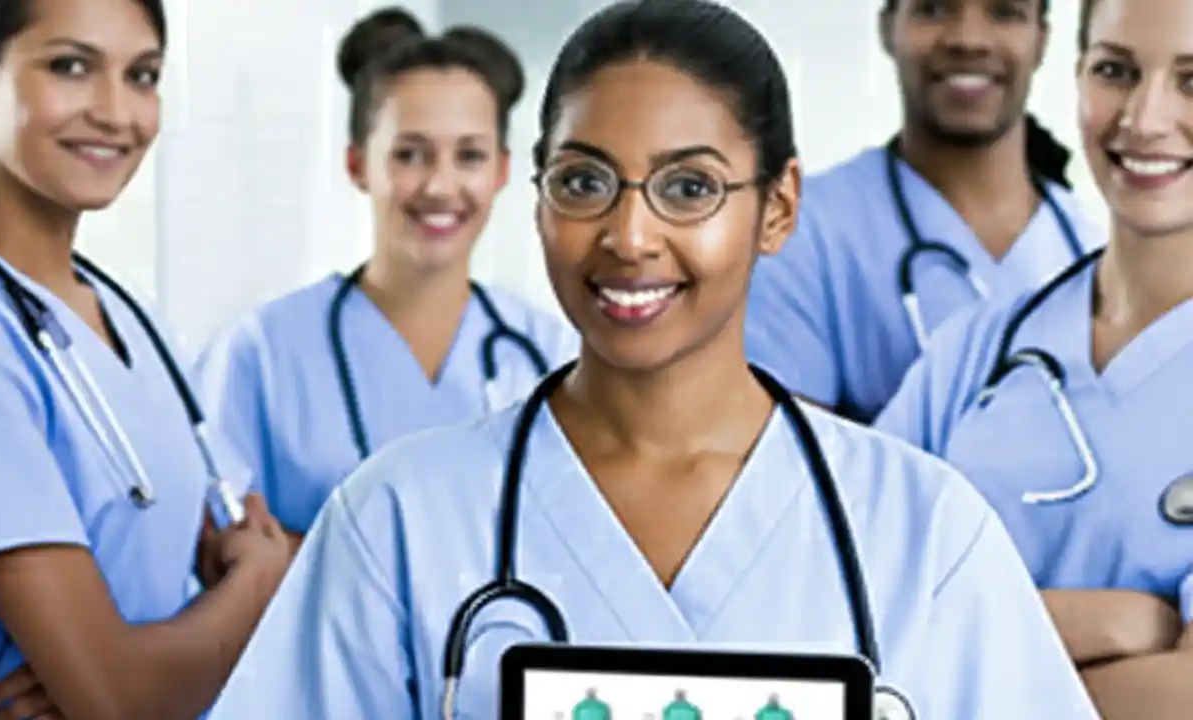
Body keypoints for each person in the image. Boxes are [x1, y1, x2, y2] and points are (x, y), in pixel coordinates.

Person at [205, 1, 1098, 718]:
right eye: (585, 182)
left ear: (779, 207)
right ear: (540, 197)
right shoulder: (398, 519)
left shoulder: (922, 531)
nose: (629, 236)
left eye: (690, 188)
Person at [0, 1, 291, 718]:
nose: (118, 112)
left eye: (142, 75)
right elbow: (118, 700)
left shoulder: (121, 307)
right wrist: (253, 592)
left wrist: (171, 642)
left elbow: (241, 534)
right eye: (71, 66)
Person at [875, 0, 1193, 714]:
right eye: (1115, 71)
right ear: (1077, 74)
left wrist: (950, 672)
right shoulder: (977, 350)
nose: (1144, 119)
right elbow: (845, 597)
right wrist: (1127, 621)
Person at [193, 7, 579, 544]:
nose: (441, 186)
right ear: (357, 165)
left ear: (503, 171)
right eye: (411, 155)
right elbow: (227, 550)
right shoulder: (260, 354)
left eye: (470, 155)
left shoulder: (552, 353)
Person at [743, 0, 1103, 423]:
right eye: (933, 9)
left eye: (1004, 12)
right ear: (886, 28)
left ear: (1041, 40)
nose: (968, 39)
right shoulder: (801, 232)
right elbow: (793, 464)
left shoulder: (1092, 247)